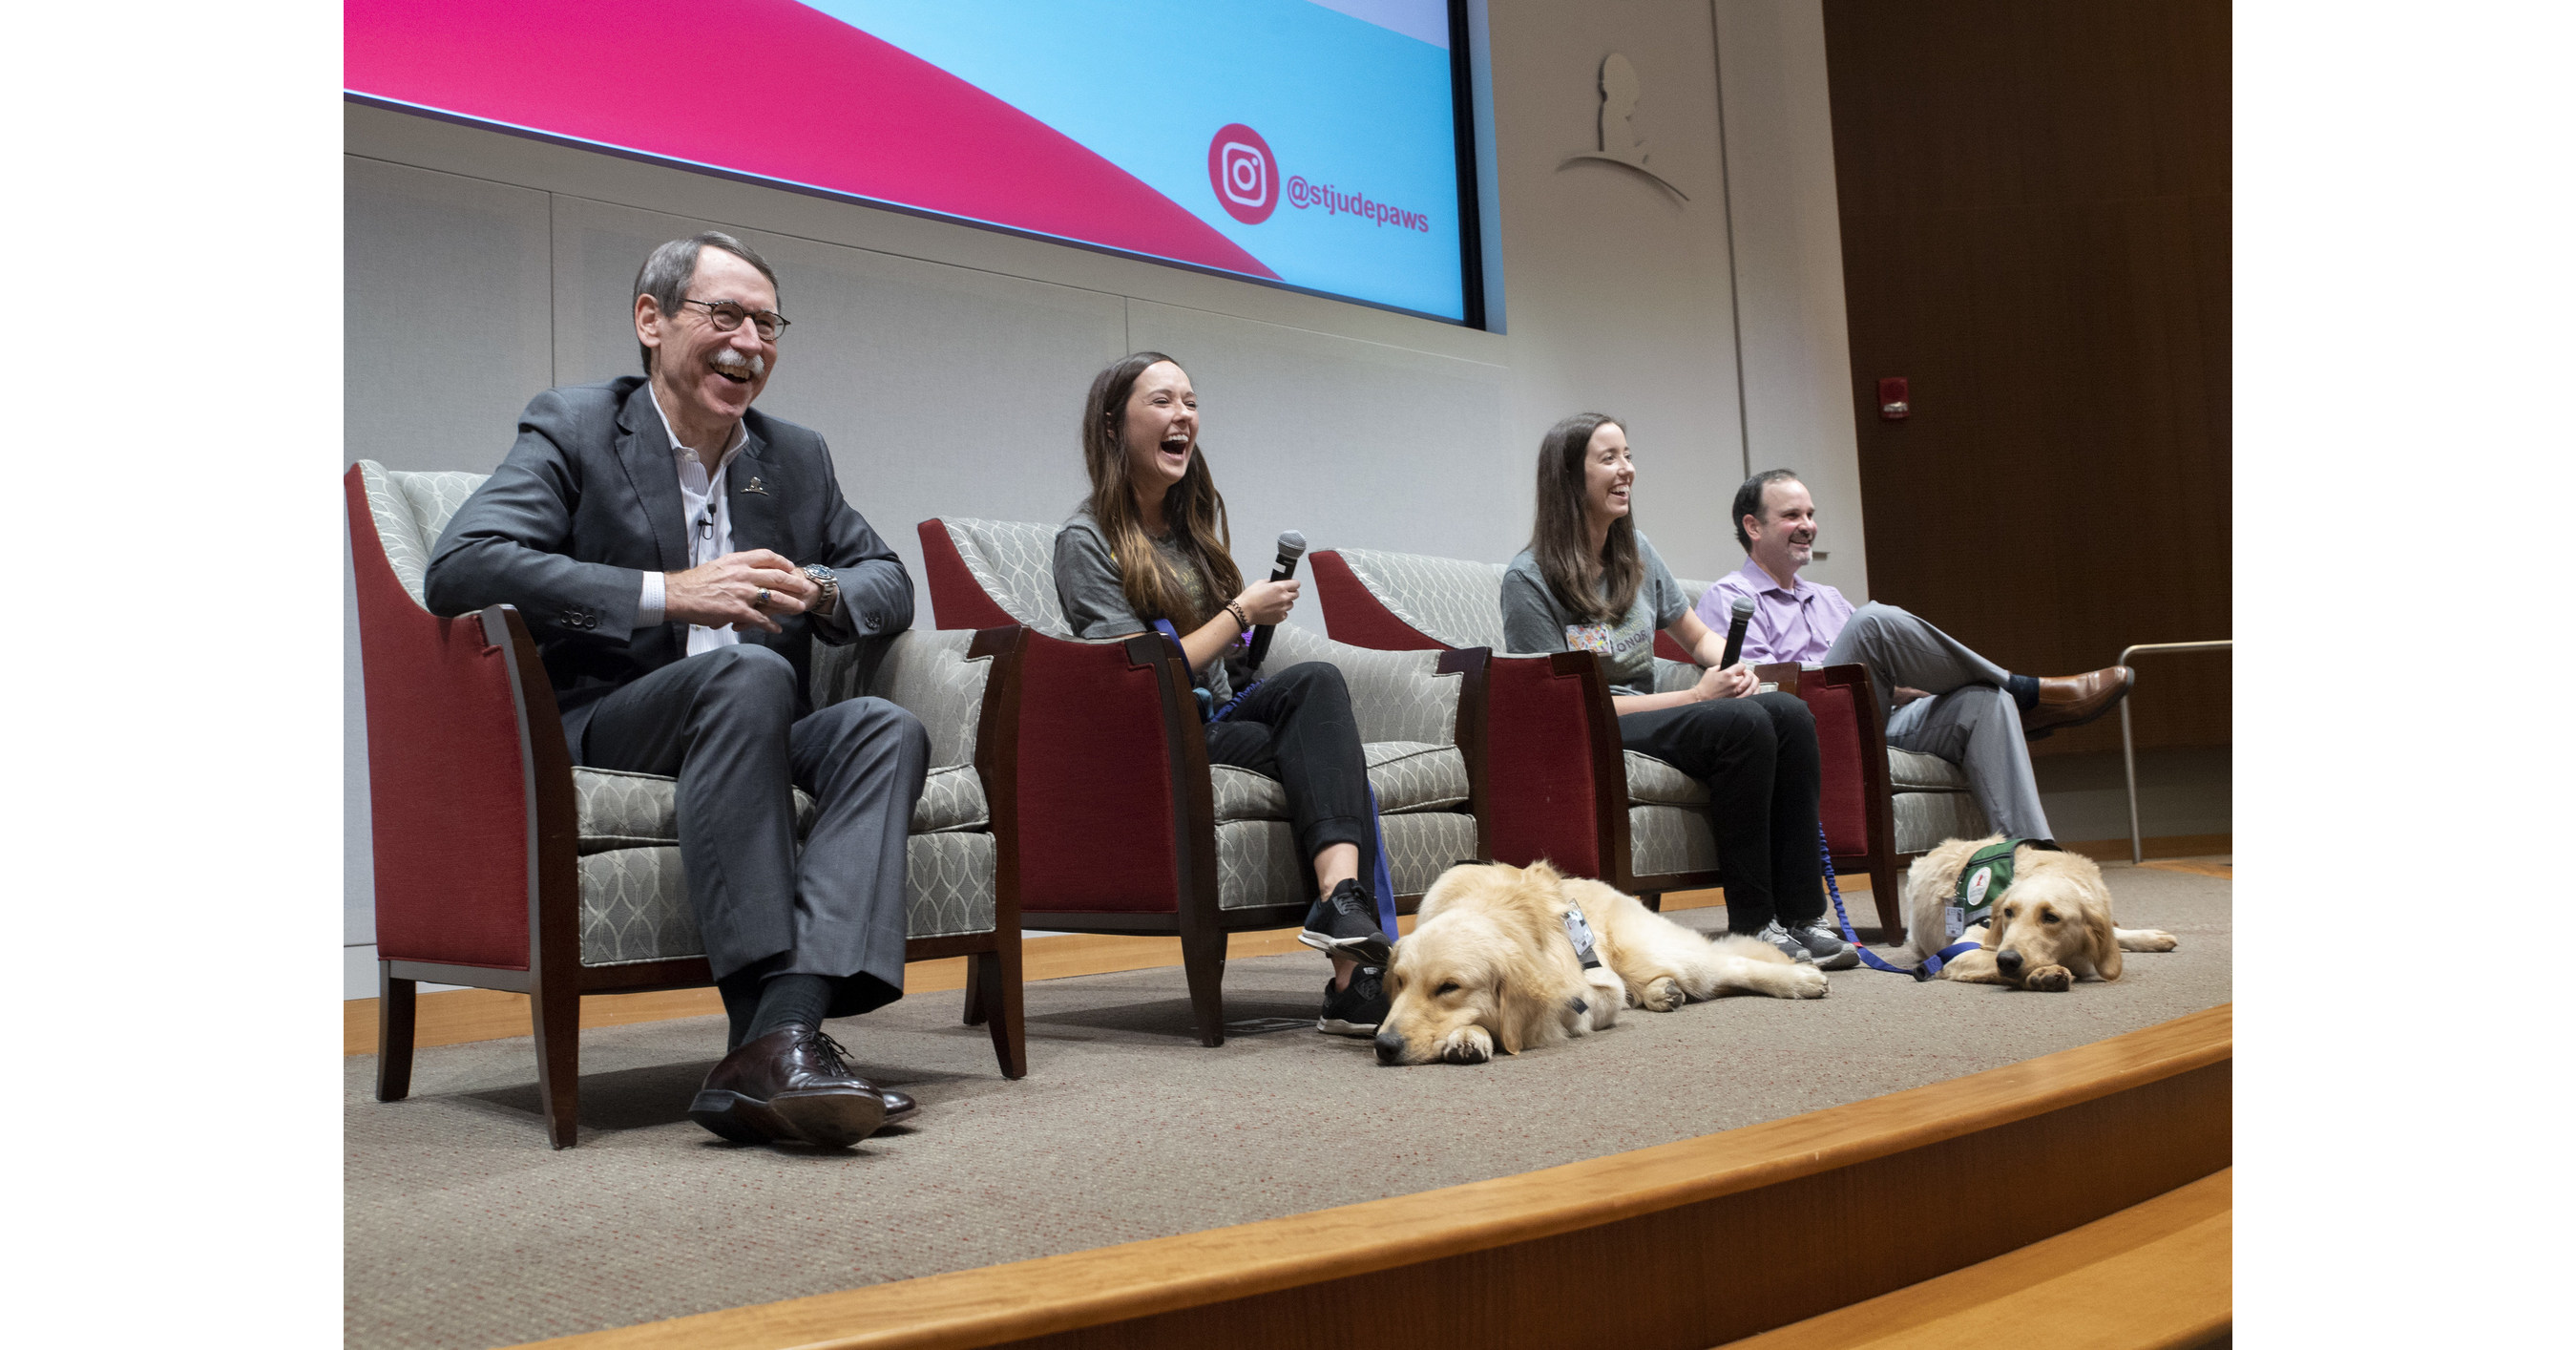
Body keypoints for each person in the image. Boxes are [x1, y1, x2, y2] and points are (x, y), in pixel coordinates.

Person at [425, 232, 929, 1150]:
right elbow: (463, 567)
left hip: (757, 715)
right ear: (651, 322)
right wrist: (669, 593)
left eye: (767, 324)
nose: (749, 341)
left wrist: (818, 588)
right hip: (617, 717)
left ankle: (776, 1042)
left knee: (882, 728)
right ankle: (778, 1047)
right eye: (724, 315)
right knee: (745, 670)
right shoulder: (577, 426)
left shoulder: (796, 456)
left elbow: (888, 583)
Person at [1051, 351, 1395, 1035]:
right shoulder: (1084, 540)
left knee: (1317, 693)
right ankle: (1355, 979)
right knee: (1323, 752)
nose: (1182, 416)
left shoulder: (1190, 538)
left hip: (1218, 714)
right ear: (1114, 426)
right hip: (1158, 730)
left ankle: (1339, 904)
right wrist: (1239, 613)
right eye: (1161, 402)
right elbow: (1137, 671)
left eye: (1190, 401)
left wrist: (1244, 640)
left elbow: (1225, 670)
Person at [1499, 413, 1856, 970]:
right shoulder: (1528, 580)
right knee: (1743, 725)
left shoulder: (1634, 550)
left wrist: (1741, 673)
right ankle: (1754, 925)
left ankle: (1804, 917)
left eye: (1628, 455)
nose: (1627, 471)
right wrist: (1696, 698)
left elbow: (1697, 636)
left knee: (1786, 711)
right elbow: (1564, 710)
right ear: (1570, 476)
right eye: (1609, 458)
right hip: (1596, 722)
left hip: (1653, 709)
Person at [1693, 470, 2132, 841]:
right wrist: (1857, 672)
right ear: (1753, 527)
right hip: (1804, 731)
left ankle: (2035, 866)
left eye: (1810, 514)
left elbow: (1879, 678)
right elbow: (1763, 690)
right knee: (1872, 621)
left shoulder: (1827, 598)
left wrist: (1905, 686)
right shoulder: (1731, 596)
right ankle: (2025, 690)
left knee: (1984, 701)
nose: (1807, 524)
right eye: (1792, 516)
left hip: (1874, 720)